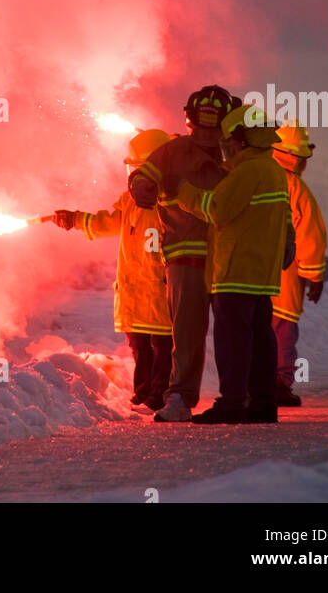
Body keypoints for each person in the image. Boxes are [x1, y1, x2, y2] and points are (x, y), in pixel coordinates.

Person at [174, 104, 294, 424]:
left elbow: (216, 209)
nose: (225, 147)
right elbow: (284, 218)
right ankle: (263, 404)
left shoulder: (248, 171)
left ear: (242, 139)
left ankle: (232, 403)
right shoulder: (272, 170)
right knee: (260, 340)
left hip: (235, 272)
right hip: (260, 274)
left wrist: (181, 192)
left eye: (229, 140)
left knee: (233, 343)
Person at [128, 85, 239, 422]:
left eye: (214, 128)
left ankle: (238, 395)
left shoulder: (238, 155)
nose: (208, 136)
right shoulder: (170, 152)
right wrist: (140, 187)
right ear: (190, 121)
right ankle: (179, 397)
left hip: (230, 259)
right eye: (202, 128)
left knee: (234, 333)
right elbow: (142, 175)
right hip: (185, 260)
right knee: (185, 335)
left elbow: (268, 197)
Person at [53, 128, 173, 411]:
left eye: (139, 167)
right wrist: (77, 220)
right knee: (139, 346)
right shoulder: (129, 199)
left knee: (162, 346)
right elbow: (109, 222)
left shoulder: (171, 200)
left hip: (158, 287)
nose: (134, 175)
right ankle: (143, 392)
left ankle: (159, 394)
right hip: (133, 290)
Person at [272, 121, 327, 407]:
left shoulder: (256, 178)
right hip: (285, 281)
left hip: (249, 276)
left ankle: (248, 384)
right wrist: (314, 275)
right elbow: (310, 236)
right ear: (297, 158)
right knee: (282, 333)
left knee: (252, 332)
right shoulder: (297, 190)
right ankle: (280, 384)